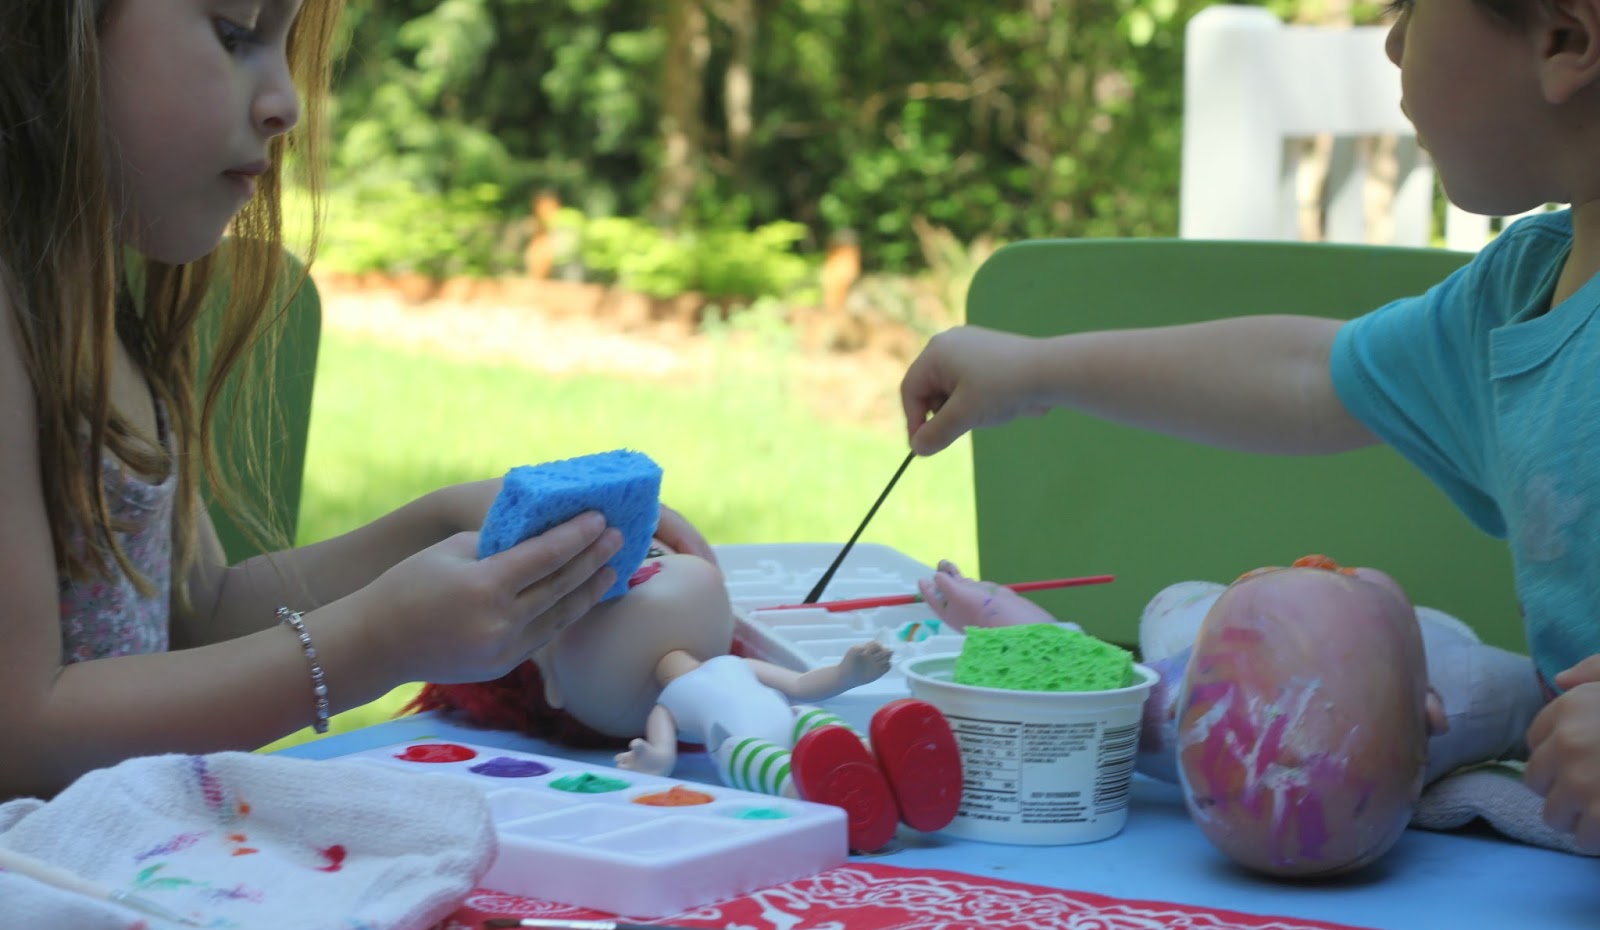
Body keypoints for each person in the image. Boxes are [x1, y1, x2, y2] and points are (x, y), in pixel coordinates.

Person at [898, 0, 1600, 854]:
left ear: (1566, 39)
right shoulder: (1519, 294)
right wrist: (1037, 370)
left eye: (1412, 6)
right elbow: (1306, 374)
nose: (1392, 41)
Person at [0, 0, 713, 801]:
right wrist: (373, 645)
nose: (286, 103)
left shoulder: (97, 308)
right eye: (234, 36)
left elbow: (200, 619)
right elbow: (19, 735)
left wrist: (446, 522)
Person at [412, 543, 965, 853]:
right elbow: (663, 752)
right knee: (766, 763)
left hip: (791, 717)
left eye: (653, 549)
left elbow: (799, 685)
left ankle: (892, 767)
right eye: (577, 596)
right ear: (550, 679)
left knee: (816, 723)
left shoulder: (734, 664)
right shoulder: (669, 706)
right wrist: (654, 761)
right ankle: (832, 798)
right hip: (736, 746)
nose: (629, 572)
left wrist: (847, 673)